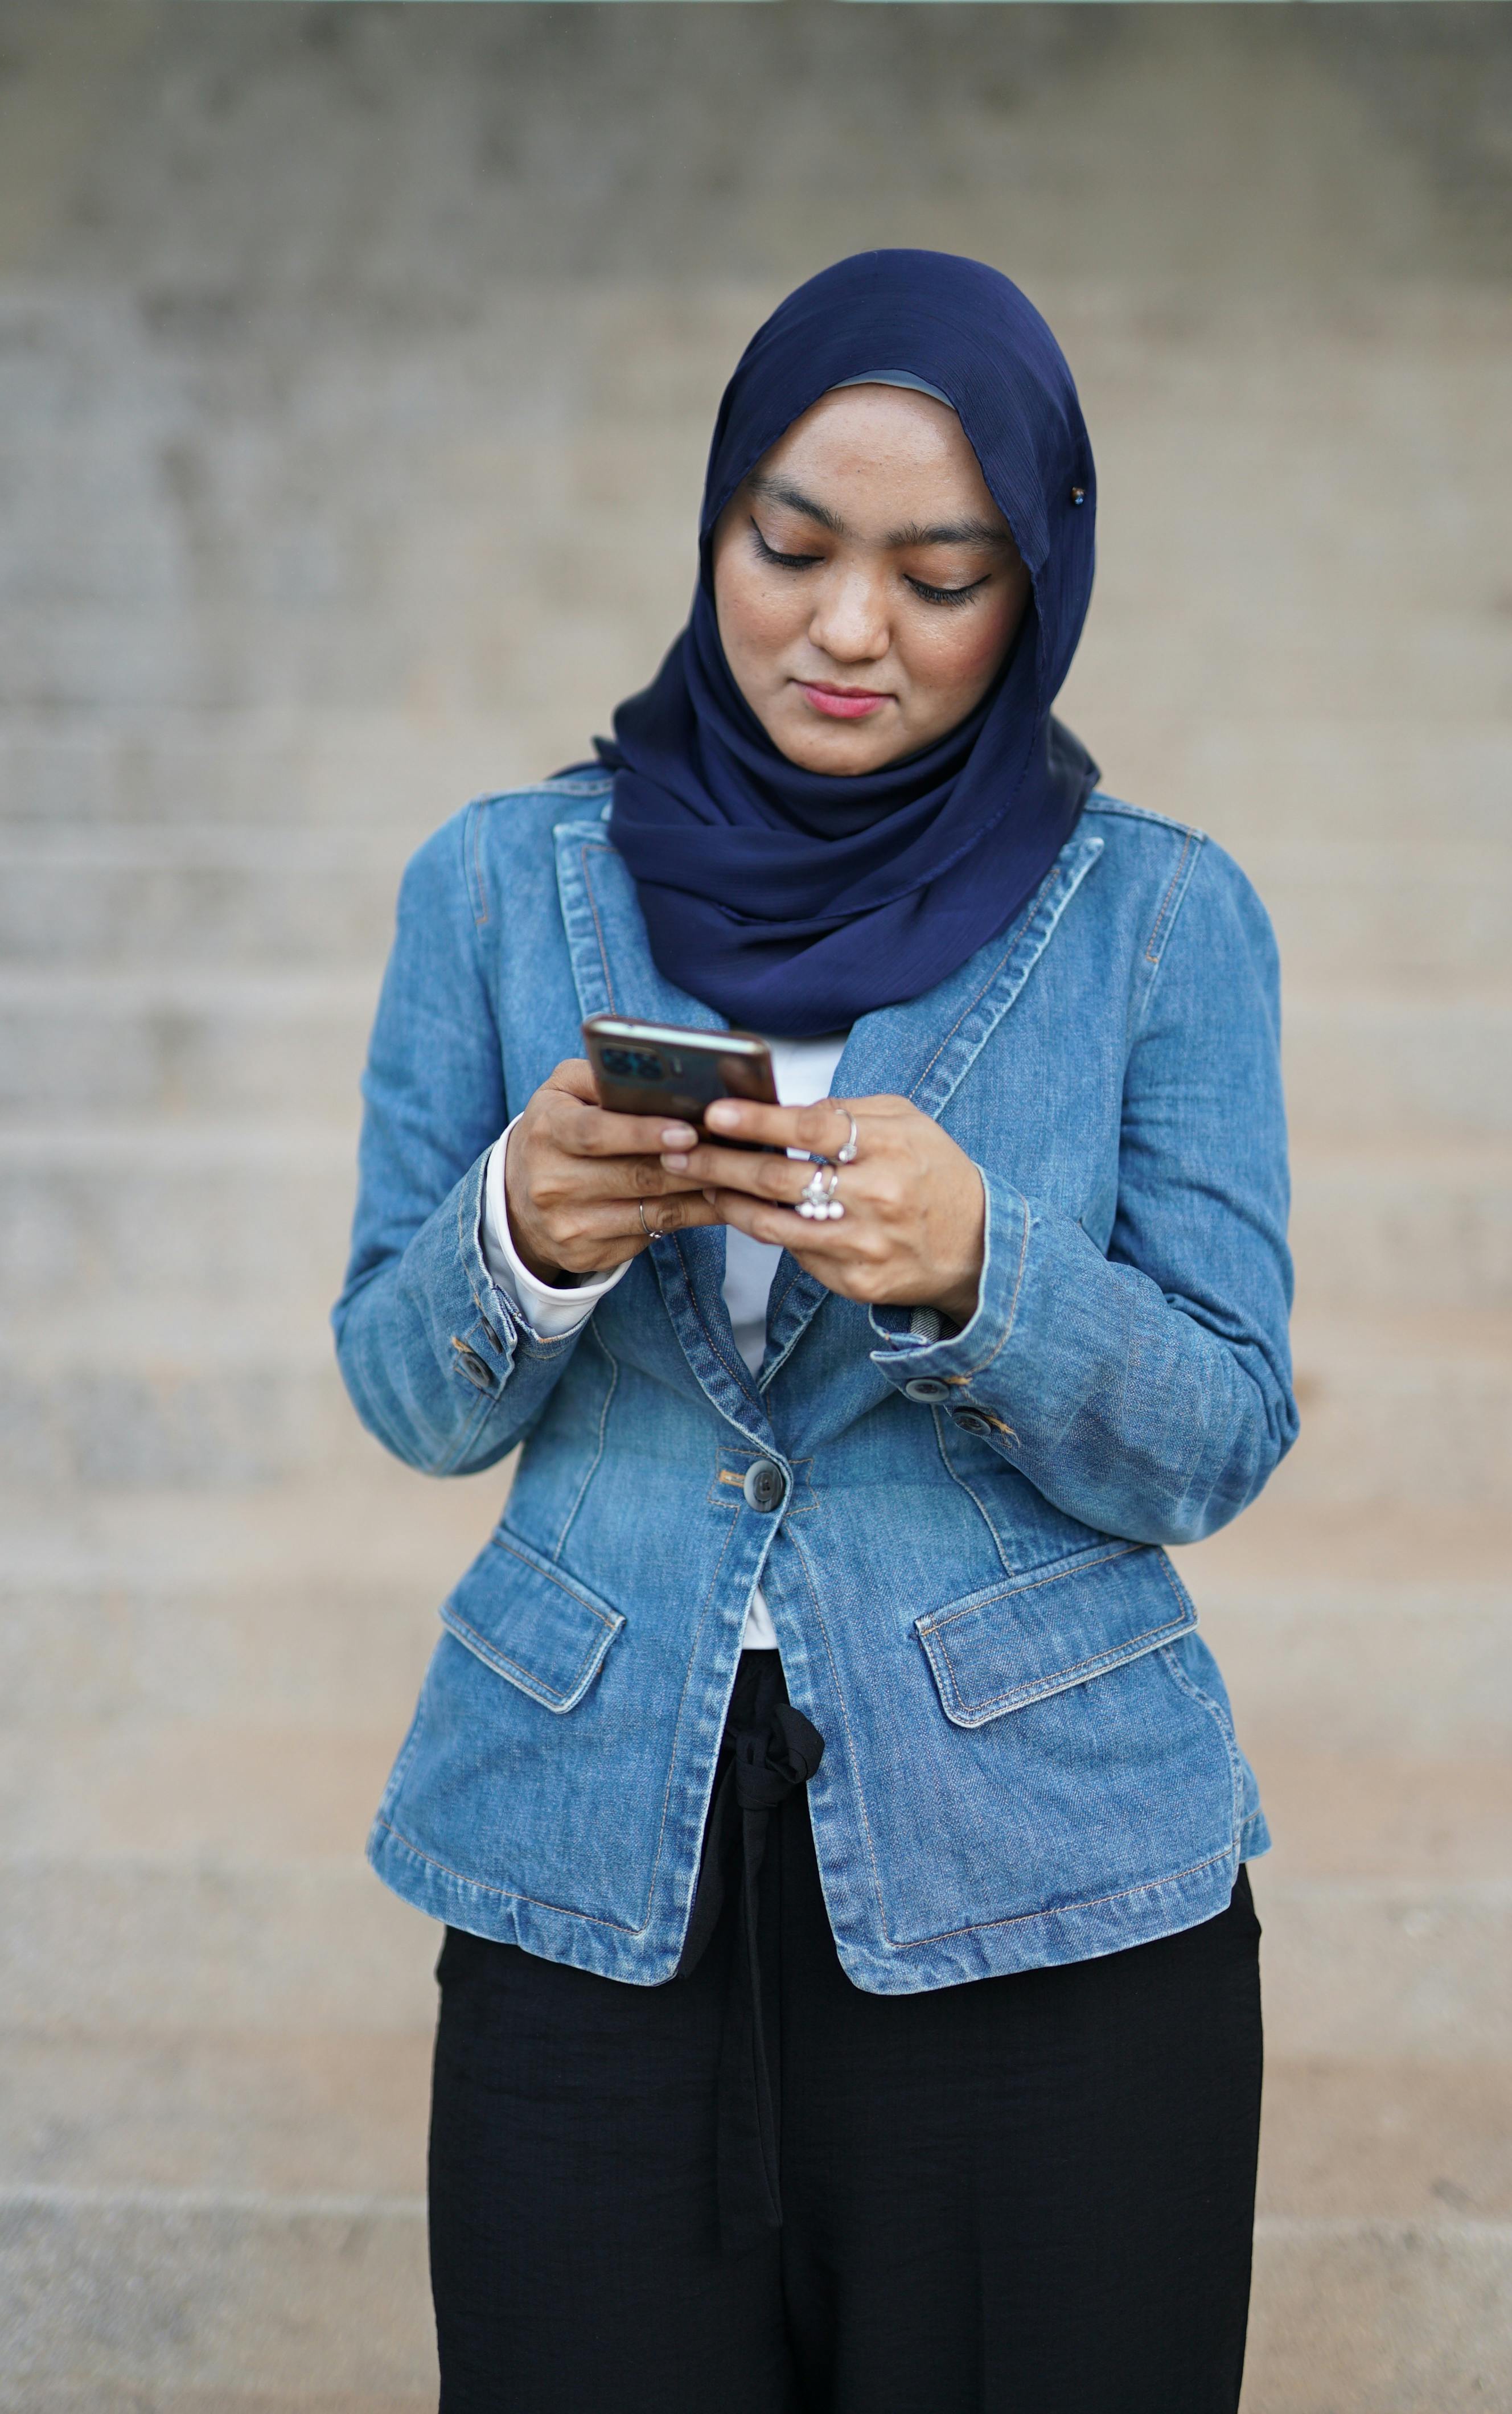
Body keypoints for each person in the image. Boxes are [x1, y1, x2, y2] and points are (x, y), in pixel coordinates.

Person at [332, 250, 1296, 2414]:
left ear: (1033, 592)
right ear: (714, 531)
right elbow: (403, 1391)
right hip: (587, 1873)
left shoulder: (1159, 915)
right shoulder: (497, 888)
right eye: (791, 548)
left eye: (941, 578)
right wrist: (523, 1232)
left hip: (1056, 1896)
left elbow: (1222, 1428)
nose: (847, 630)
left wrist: (989, 1272)